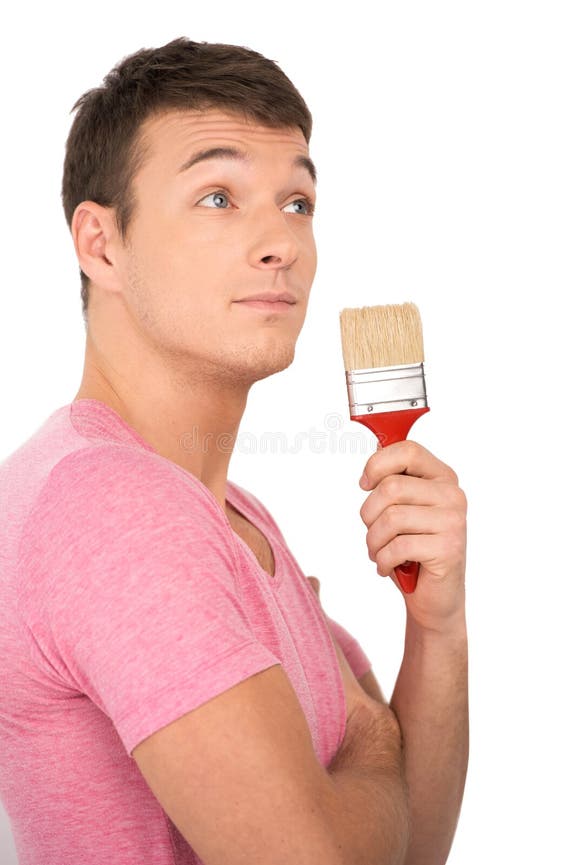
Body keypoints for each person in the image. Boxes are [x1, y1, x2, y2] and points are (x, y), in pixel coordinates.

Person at [0, 37, 468, 865]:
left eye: (297, 202)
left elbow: (414, 850)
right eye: (219, 197)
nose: (280, 242)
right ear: (101, 245)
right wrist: (369, 732)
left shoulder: (232, 514)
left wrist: (436, 628)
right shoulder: (109, 506)